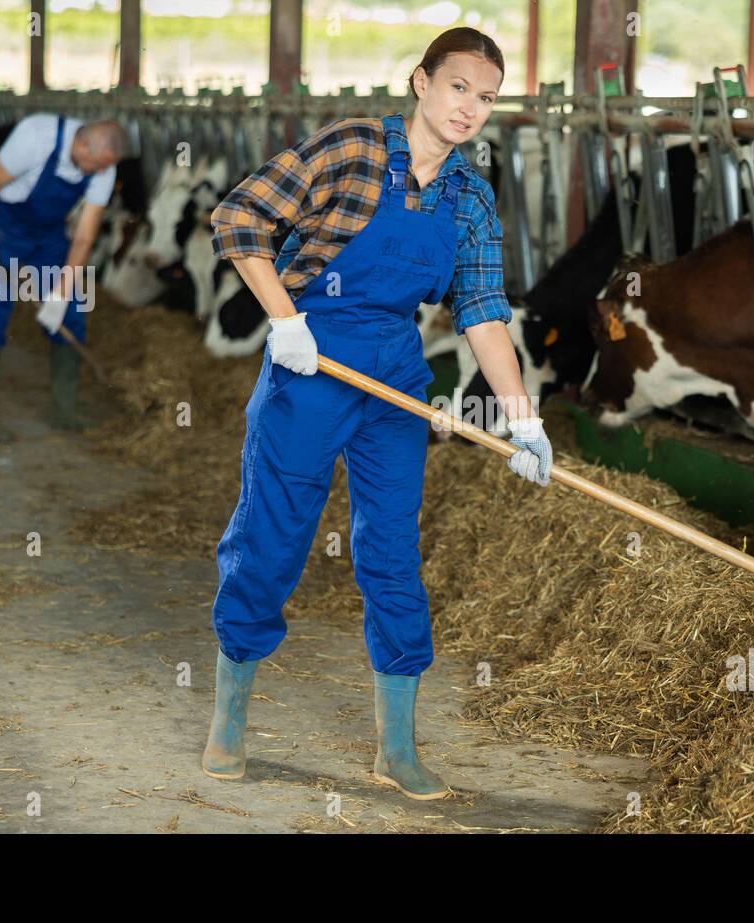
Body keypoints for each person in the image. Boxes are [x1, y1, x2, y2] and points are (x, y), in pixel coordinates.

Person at [200, 27, 552, 800]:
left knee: (392, 550)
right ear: (421, 81)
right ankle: (228, 720)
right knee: (273, 536)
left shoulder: (469, 194)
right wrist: (285, 320)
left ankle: (396, 747)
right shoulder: (353, 147)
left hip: (394, 367)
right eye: (460, 87)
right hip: (312, 360)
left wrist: (523, 418)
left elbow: (484, 311)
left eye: (487, 97)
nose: (471, 108)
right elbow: (240, 218)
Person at [0, 114, 127, 441]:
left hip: (50, 235)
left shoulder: (103, 168)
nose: (99, 173)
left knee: (72, 311)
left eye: (104, 168)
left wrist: (60, 294)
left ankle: (63, 409)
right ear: (81, 145)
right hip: (5, 227)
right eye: (95, 165)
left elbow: (83, 237)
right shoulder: (35, 136)